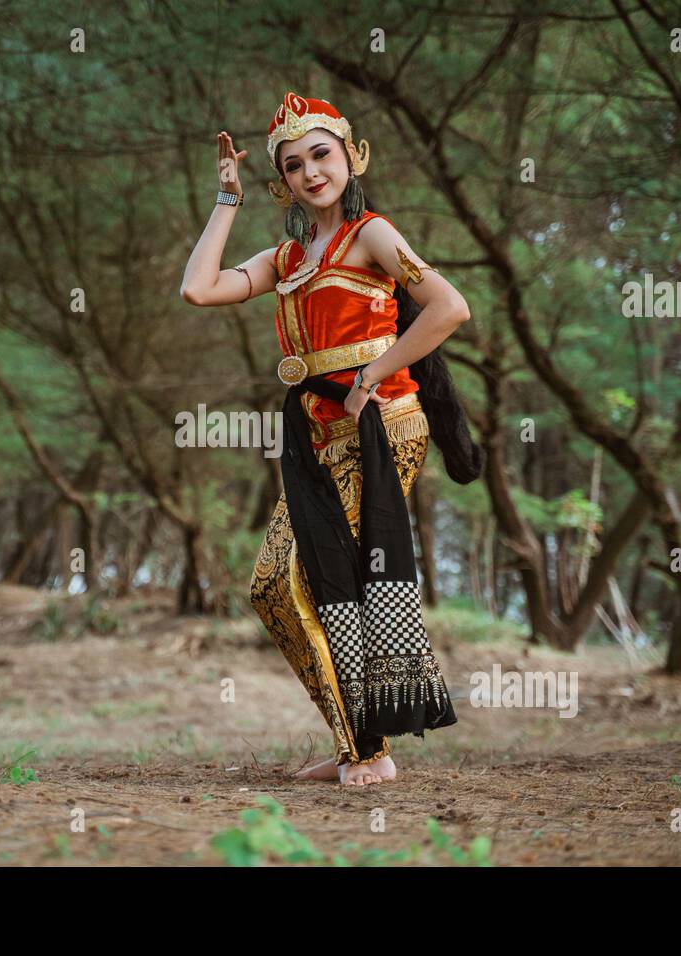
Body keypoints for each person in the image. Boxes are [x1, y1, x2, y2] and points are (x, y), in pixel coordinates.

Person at [180, 92, 480, 786]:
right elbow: (198, 289)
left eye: (321, 154)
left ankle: (369, 751)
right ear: (281, 181)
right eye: (293, 164)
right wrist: (226, 201)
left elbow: (449, 306)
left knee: (306, 579)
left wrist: (375, 370)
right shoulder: (286, 258)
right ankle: (356, 740)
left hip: (383, 427)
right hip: (315, 436)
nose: (311, 172)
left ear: (352, 156)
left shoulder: (372, 234)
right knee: (272, 587)